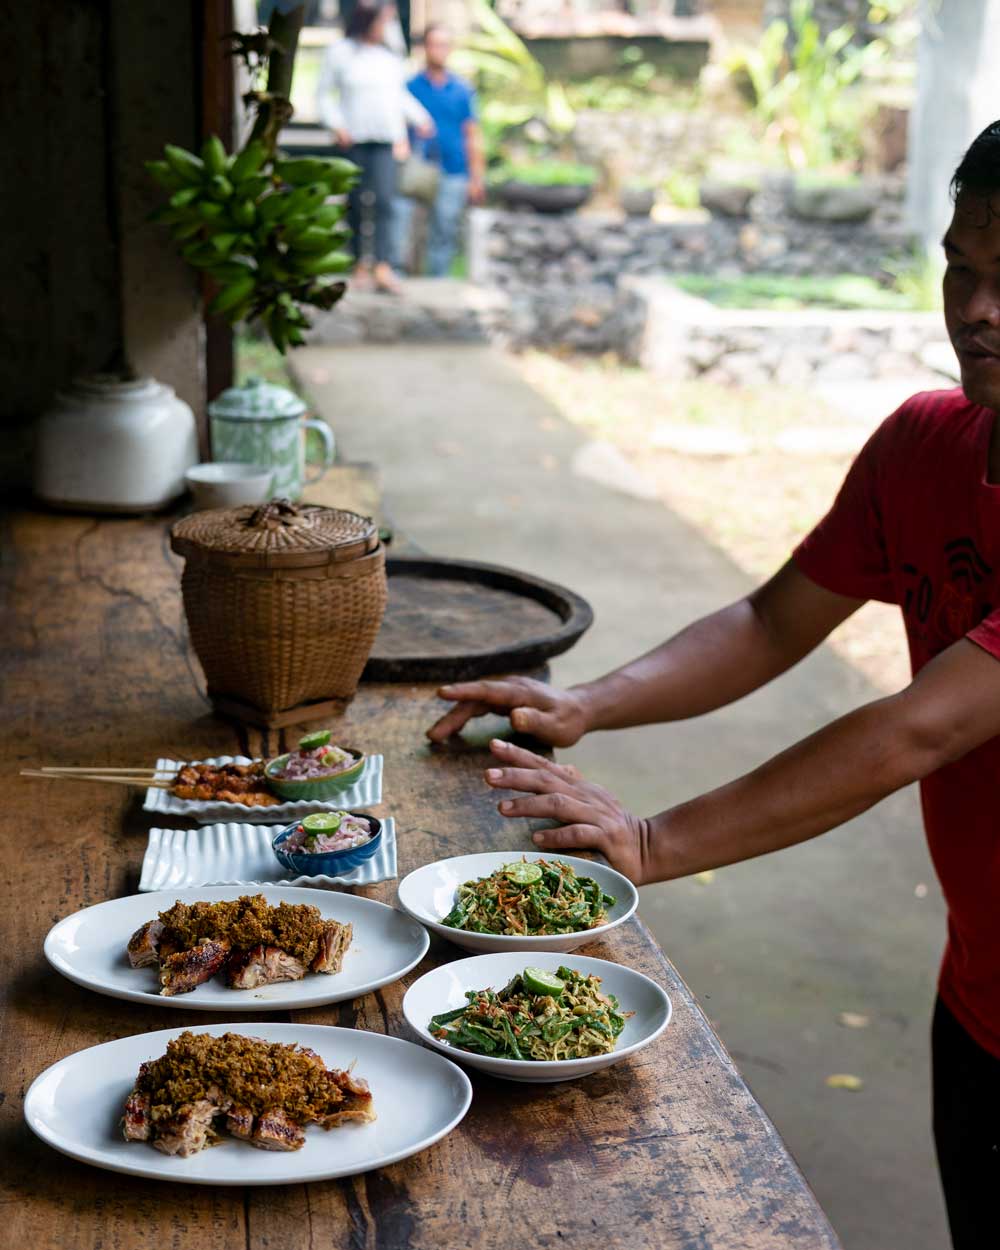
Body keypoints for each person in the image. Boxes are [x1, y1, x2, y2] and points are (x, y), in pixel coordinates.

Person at [427, 120, 1000, 1250]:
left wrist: (654, 840)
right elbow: (770, 620)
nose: (978, 309)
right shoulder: (925, 441)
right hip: (977, 989)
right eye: (961, 268)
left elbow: (916, 732)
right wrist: (588, 703)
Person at [316, 2, 433, 293]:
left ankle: (383, 264)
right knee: (357, 202)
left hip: (385, 139)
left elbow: (397, 97)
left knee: (385, 202)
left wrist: (418, 119)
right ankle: (358, 262)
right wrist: (336, 125)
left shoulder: (389, 57)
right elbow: (324, 94)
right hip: (354, 138)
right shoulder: (341, 52)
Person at [394, 24, 485, 277]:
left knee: (444, 232)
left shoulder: (462, 90)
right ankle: (400, 279)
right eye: (434, 44)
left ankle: (438, 283)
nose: (439, 50)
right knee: (403, 230)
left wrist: (476, 177)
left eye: (444, 45)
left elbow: (472, 134)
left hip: (453, 169)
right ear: (425, 48)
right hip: (416, 169)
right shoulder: (410, 87)